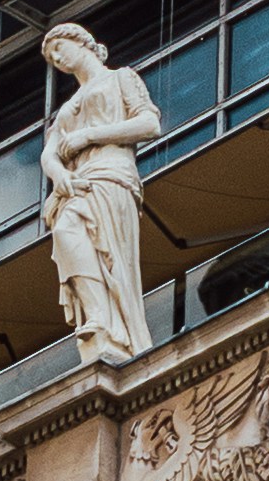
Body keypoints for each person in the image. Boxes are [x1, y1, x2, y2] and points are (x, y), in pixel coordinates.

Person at [40, 22, 171, 360]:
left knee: (112, 255)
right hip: (77, 183)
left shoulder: (120, 78)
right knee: (68, 231)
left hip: (112, 174)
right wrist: (58, 176)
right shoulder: (68, 107)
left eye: (59, 48)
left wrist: (90, 136)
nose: (58, 59)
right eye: (53, 58)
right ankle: (99, 318)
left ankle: (120, 331)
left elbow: (149, 124)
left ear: (81, 42)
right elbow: (49, 154)